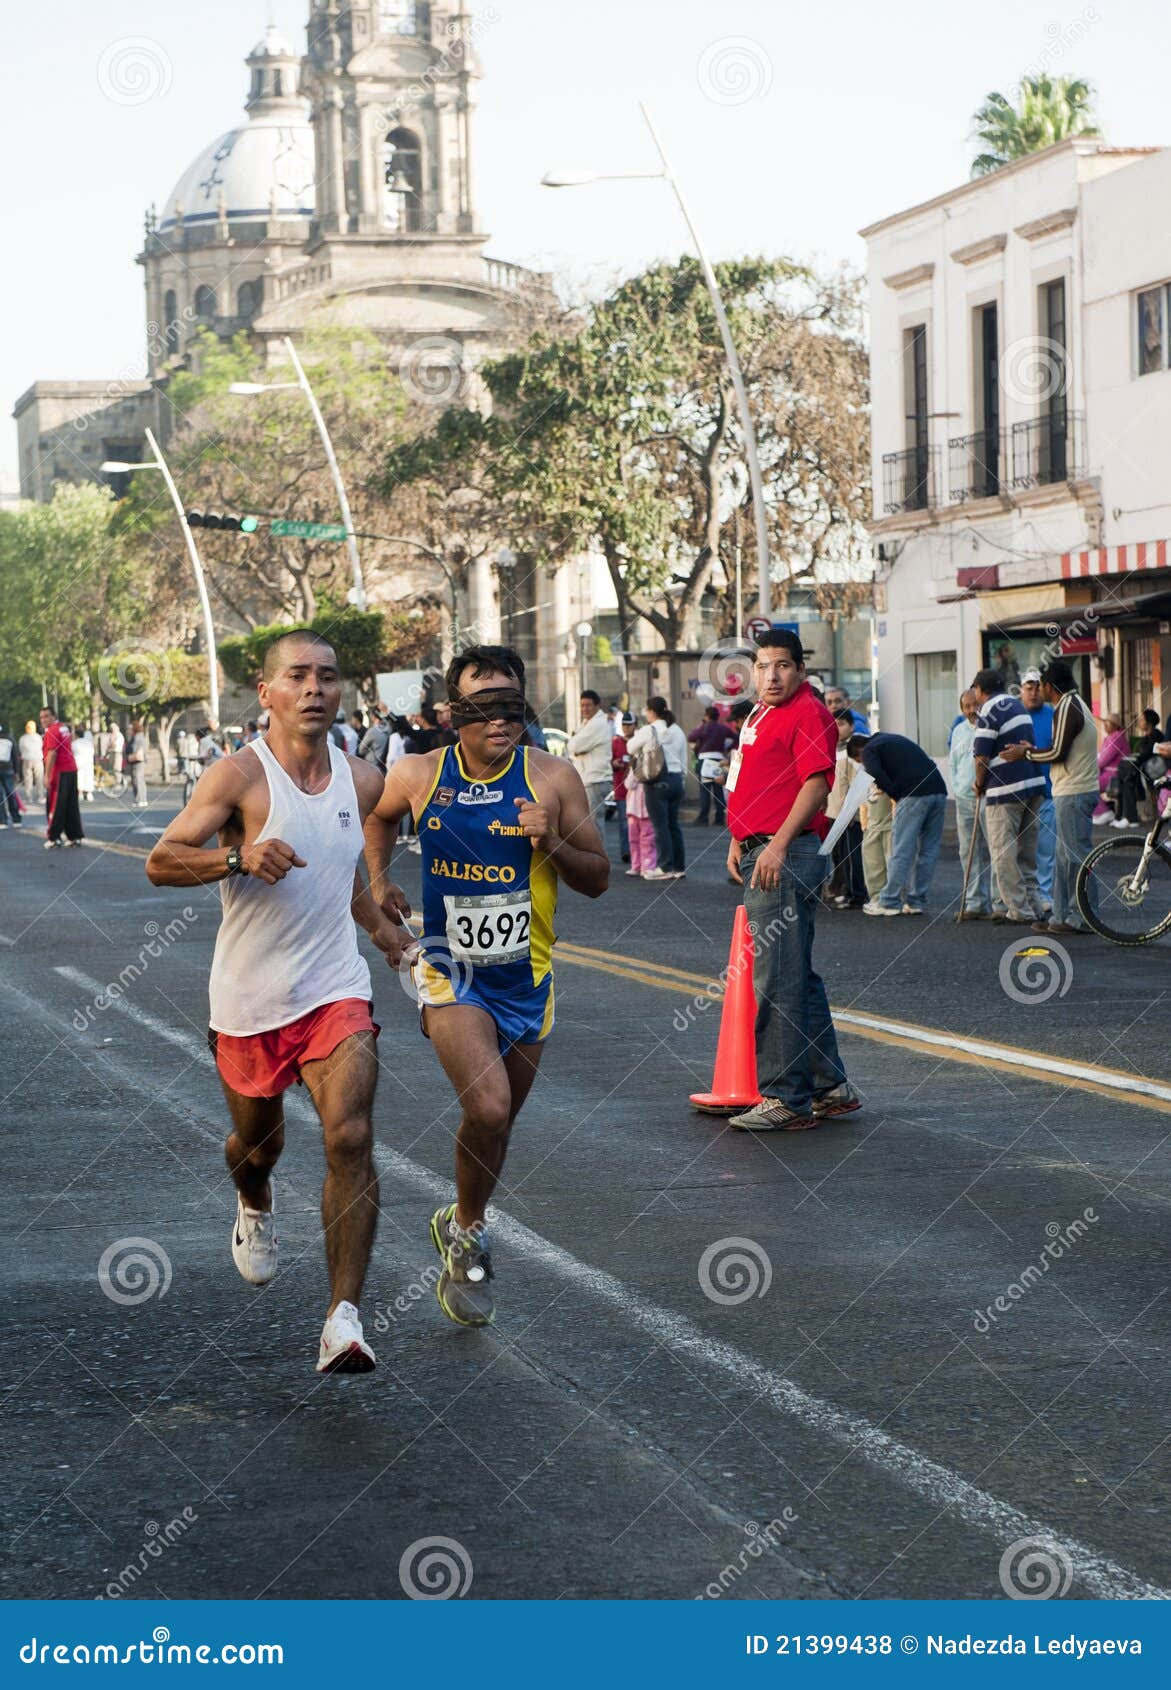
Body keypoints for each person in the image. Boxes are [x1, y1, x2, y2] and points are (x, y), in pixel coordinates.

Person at [146, 629, 408, 1375]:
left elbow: (345, 877)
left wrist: (386, 936)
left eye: (327, 676)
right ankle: (254, 1201)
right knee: (258, 1148)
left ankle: (343, 1319)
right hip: (250, 1002)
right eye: (297, 676)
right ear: (267, 693)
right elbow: (161, 862)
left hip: (334, 991)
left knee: (350, 1136)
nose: (315, 689)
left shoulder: (360, 780)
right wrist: (237, 856)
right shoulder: (238, 778)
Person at [365, 643, 609, 1326]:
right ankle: (473, 1240)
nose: (500, 721)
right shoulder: (419, 773)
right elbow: (378, 816)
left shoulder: (553, 778)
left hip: (527, 979)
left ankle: (461, 1222)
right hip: (451, 973)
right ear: (452, 714)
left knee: (494, 1129)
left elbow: (597, 877)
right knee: (492, 1108)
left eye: (511, 705)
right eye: (483, 708)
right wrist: (380, 878)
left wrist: (552, 840)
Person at [724, 630, 859, 1132]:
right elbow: (749, 780)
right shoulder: (761, 713)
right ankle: (829, 1086)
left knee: (776, 978)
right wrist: (739, 836)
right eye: (762, 666)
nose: (771, 675)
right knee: (795, 973)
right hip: (761, 845)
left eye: (782, 666)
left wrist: (776, 844)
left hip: (787, 854)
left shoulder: (808, 713)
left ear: (800, 670)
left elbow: (817, 785)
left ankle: (787, 1098)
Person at [1000, 659, 1099, 936]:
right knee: (1064, 857)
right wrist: (1034, 750)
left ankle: (1084, 916)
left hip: (1074, 792)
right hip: (1072, 790)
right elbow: (1058, 749)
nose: (1039, 690)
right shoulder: (1074, 703)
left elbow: (1057, 753)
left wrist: (1026, 753)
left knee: (1075, 857)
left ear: (1049, 686)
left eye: (1041, 684)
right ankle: (1060, 915)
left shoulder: (1067, 707)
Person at [970, 668, 1046, 925]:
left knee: (1003, 852)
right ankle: (1034, 906)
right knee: (1026, 852)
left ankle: (1019, 910)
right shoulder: (1017, 705)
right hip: (1033, 784)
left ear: (980, 689)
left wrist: (979, 784)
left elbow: (981, 756)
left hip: (1005, 788)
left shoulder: (988, 710)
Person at [847, 729, 947, 915]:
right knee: (929, 850)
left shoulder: (869, 749)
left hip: (913, 796)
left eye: (860, 762)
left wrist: (894, 792)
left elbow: (875, 771)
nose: (863, 764)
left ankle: (889, 901)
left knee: (901, 849)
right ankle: (916, 901)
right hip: (939, 791)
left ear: (858, 753)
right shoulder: (892, 739)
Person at [949, 690, 993, 920]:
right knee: (968, 851)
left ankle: (999, 902)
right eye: (966, 706)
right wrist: (957, 788)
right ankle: (975, 903)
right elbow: (954, 763)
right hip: (964, 798)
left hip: (987, 796)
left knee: (996, 850)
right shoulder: (958, 730)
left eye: (974, 705)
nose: (971, 710)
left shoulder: (989, 726)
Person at [636, 697, 687, 879]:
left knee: (660, 827)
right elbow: (684, 760)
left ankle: (665, 867)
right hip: (676, 780)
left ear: (651, 711)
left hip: (657, 781)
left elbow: (629, 747)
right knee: (674, 826)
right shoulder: (678, 732)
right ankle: (679, 867)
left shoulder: (650, 730)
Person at [1020, 668, 1055, 909]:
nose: (1033, 693)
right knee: (1020, 850)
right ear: (1021, 690)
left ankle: (1044, 895)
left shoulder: (1052, 714)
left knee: (1045, 849)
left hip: (1047, 791)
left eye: (1036, 688)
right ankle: (1023, 895)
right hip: (1019, 793)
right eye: (1028, 688)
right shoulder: (1014, 714)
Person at [825, 710, 866, 908]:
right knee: (841, 856)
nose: (837, 728)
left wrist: (850, 813)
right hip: (834, 813)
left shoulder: (855, 749)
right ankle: (847, 891)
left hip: (850, 816)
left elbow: (856, 786)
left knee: (854, 857)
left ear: (852, 725)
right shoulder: (831, 749)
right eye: (834, 724)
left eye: (841, 724)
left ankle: (857, 895)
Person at [568, 689, 612, 834]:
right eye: (582, 705)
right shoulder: (587, 723)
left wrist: (577, 749)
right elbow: (573, 748)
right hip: (589, 778)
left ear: (597, 706)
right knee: (590, 824)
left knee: (594, 826)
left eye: (588, 705)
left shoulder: (597, 724)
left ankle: (599, 857)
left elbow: (573, 745)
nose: (584, 709)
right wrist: (577, 749)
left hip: (595, 780)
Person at [40, 707, 83, 848]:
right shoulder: (63, 728)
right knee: (71, 805)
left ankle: (54, 837)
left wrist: (47, 776)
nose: (43, 720)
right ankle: (74, 836)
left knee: (55, 805)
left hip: (60, 771)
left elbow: (52, 754)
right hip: (71, 769)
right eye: (41, 717)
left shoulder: (52, 730)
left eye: (46, 716)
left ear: (54, 716)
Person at [689, 705, 735, 826]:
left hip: (705, 760)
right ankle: (719, 817)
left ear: (707, 716)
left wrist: (701, 725)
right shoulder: (723, 728)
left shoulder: (704, 727)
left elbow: (691, 737)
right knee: (718, 789)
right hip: (719, 760)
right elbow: (736, 738)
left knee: (705, 790)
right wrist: (727, 748)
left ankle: (703, 817)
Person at [1094, 714, 1130, 823]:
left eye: (1107, 722)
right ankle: (1100, 812)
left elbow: (1104, 759)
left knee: (1089, 784)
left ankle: (1104, 812)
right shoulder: (1110, 737)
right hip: (1107, 772)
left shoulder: (1117, 737)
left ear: (1115, 725)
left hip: (1114, 773)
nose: (1105, 724)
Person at [612, 710, 633, 863]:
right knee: (623, 824)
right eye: (624, 725)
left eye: (629, 725)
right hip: (621, 789)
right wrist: (614, 763)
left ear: (635, 725)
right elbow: (609, 760)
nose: (626, 728)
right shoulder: (615, 742)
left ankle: (637, 852)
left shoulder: (638, 741)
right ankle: (626, 852)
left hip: (637, 791)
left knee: (639, 824)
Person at [0, 722, 23, 827]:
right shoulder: (9, 738)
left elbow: (15, 755)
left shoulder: (9, 738)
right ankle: (16, 819)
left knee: (3, 796)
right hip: (8, 769)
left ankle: (3, 820)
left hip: (7, 770)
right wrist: (17, 772)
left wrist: (17, 771)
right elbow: (16, 755)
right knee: (11, 794)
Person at [126, 718, 149, 807]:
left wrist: (129, 756)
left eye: (130, 729)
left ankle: (139, 799)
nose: (129, 731)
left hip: (138, 762)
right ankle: (141, 799)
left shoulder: (137, 737)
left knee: (137, 780)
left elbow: (135, 749)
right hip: (139, 761)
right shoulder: (139, 736)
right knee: (139, 780)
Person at [19, 721, 44, 801]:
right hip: (37, 759)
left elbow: (21, 748)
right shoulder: (38, 737)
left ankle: (29, 796)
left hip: (27, 759)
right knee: (39, 778)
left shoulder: (23, 738)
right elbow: (41, 746)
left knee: (27, 778)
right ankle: (41, 796)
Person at [71, 727, 95, 803]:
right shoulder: (89, 743)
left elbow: (71, 753)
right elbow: (92, 752)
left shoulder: (74, 743)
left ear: (76, 735)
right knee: (89, 777)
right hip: (88, 762)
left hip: (78, 762)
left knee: (79, 778)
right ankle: (89, 794)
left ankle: (80, 794)